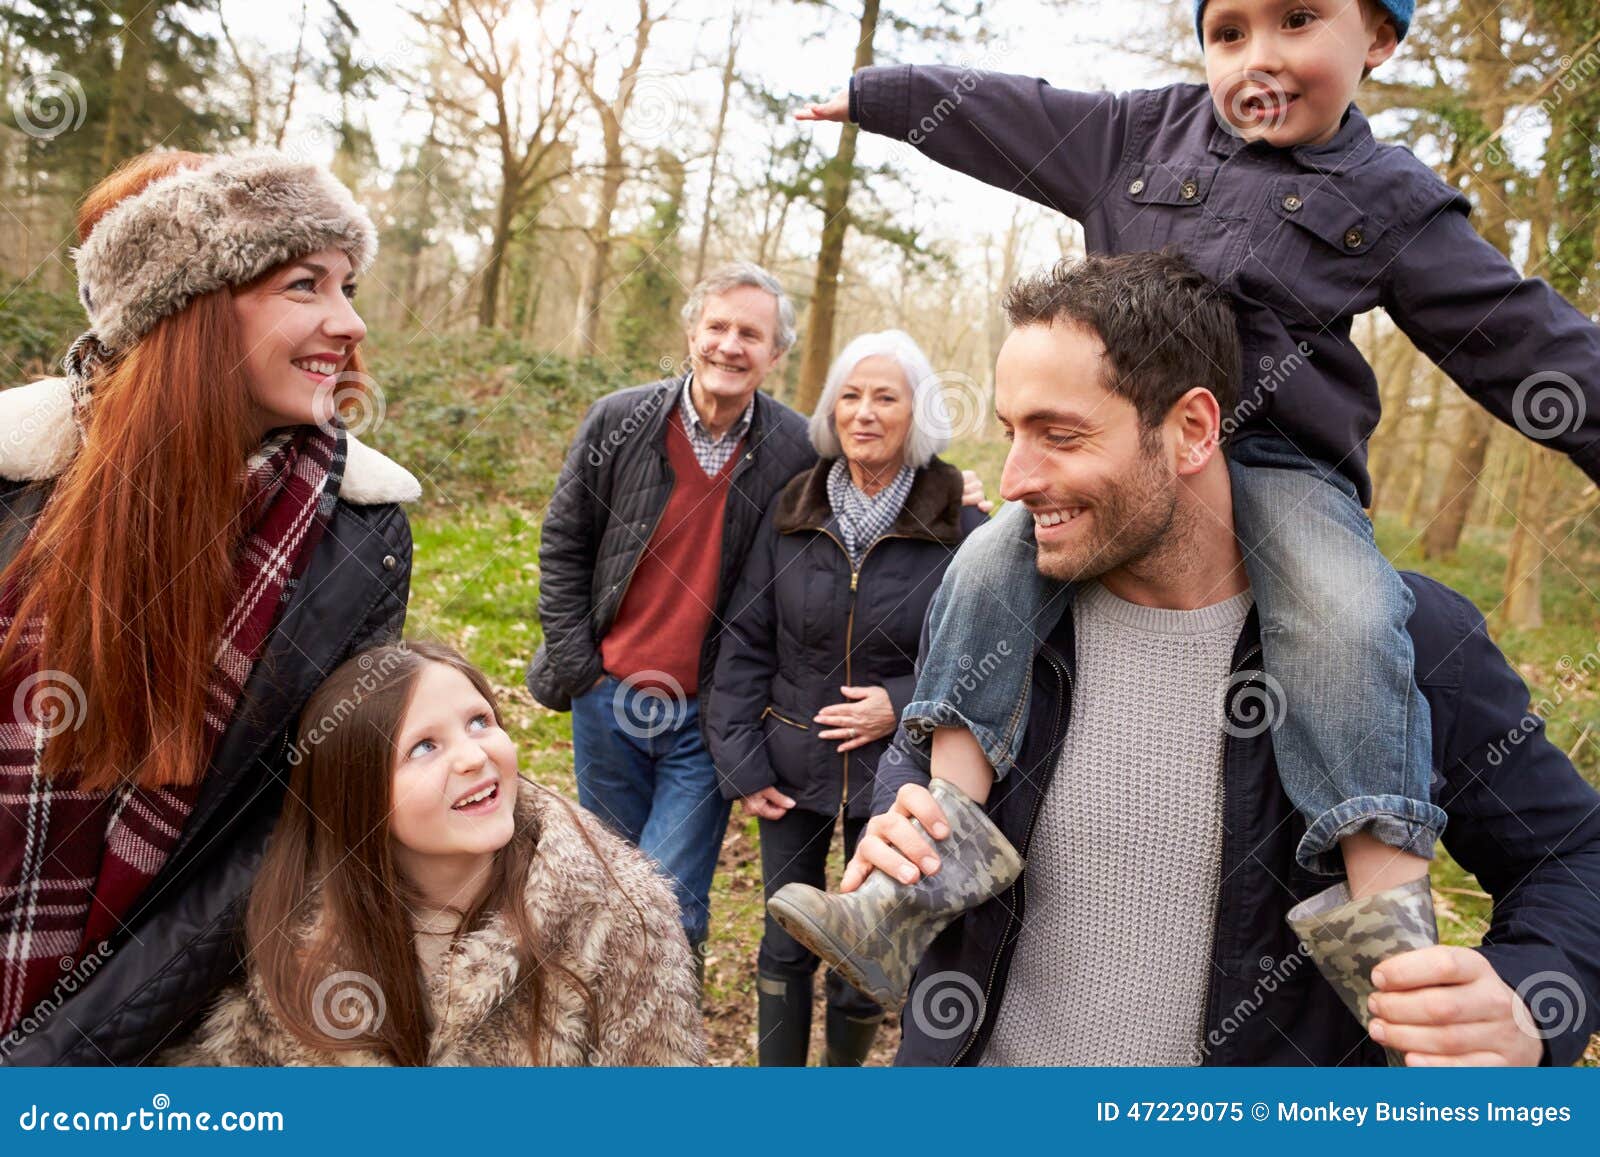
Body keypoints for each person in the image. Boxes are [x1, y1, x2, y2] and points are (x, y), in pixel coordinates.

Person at [788, 0, 1600, 1026]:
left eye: (1297, 20)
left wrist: (1521, 1008)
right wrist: (882, 95)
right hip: (1128, 463)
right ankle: (925, 868)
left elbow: (1527, 341)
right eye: (1228, 32)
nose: (1258, 58)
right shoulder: (1138, 134)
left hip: (1283, 469)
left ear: (1380, 40)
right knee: (985, 561)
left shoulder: (1387, 197)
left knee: (1344, 617)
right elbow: (1005, 114)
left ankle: (1387, 930)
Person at [840, 252, 1600, 1066]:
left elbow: (1576, 856)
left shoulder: (1403, 641)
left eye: (1060, 435)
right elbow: (916, 753)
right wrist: (898, 816)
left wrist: (1527, 1001)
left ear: (1194, 429)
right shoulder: (1000, 614)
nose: (1016, 478)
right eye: (1010, 431)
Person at [0, 149, 418, 1065]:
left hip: (144, 1041)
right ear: (186, 307)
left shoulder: (357, 536)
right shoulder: (13, 480)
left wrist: (65, 1049)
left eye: (348, 286)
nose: (348, 323)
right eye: (305, 284)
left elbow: (275, 837)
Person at [525, 263, 987, 981]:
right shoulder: (619, 420)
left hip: (703, 710)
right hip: (608, 695)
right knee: (608, 880)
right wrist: (581, 665)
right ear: (691, 333)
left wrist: (959, 493)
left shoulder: (793, 449)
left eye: (752, 334)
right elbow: (563, 542)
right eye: (717, 327)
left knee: (673, 896)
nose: (730, 345)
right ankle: (605, 1027)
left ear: (776, 356)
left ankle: (666, 1043)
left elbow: (881, 471)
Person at [168, 641, 703, 1067]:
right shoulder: (293, 928)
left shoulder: (620, 916)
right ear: (358, 794)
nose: (474, 756)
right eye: (424, 746)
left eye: (480, 722)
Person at [707, 330, 987, 1066]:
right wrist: (743, 762)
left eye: (885, 397)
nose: (865, 413)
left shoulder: (961, 521)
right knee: (785, 939)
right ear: (832, 410)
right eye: (851, 396)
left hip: (897, 777)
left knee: (867, 948)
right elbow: (744, 639)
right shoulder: (792, 507)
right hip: (790, 762)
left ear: (916, 413)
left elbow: (986, 656)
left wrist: (899, 701)